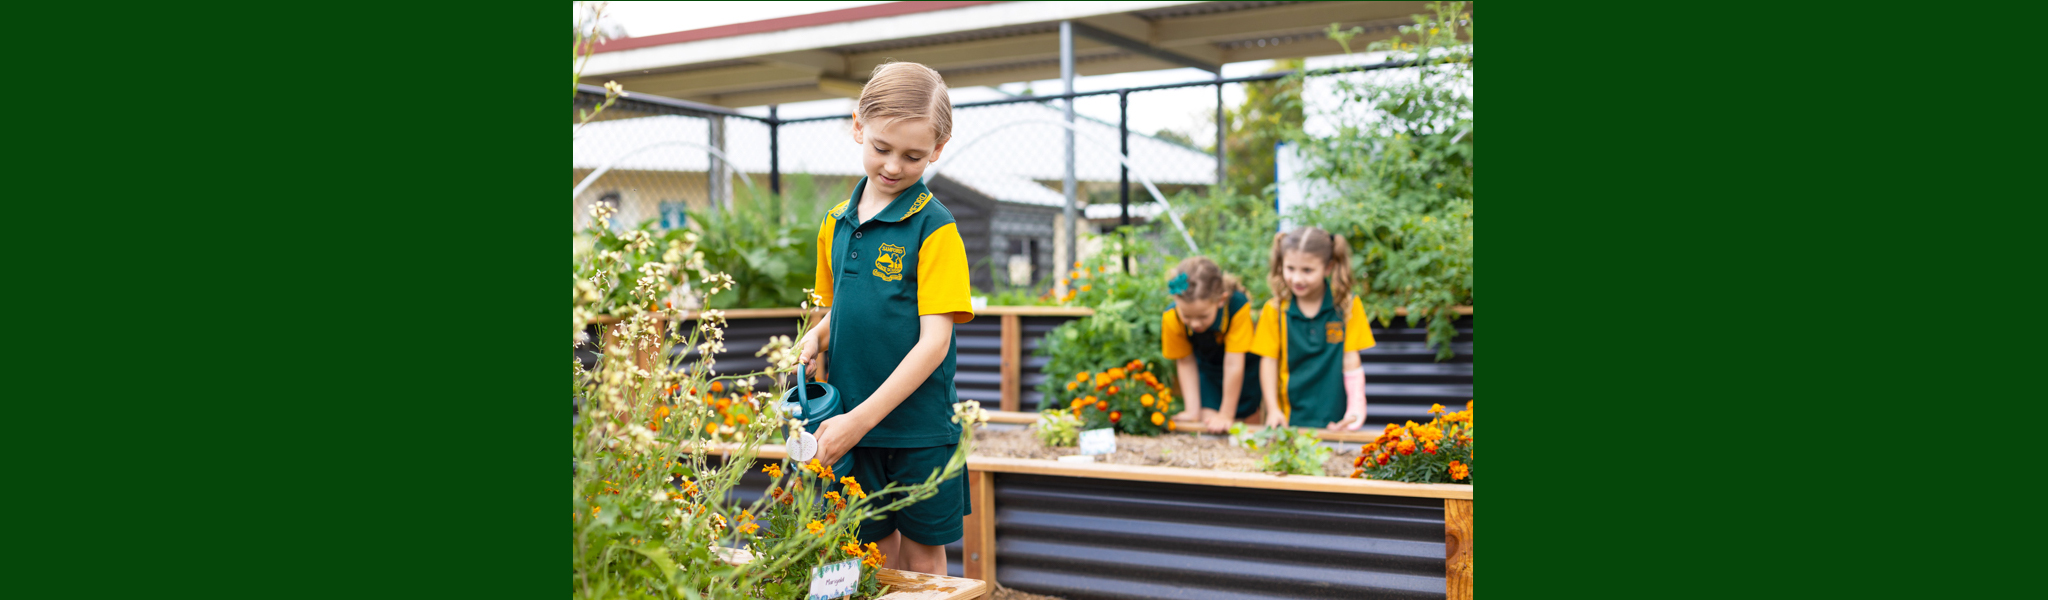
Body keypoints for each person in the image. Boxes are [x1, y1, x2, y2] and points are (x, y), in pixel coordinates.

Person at [796, 62, 974, 577]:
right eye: (882, 148)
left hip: (919, 430)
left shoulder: (935, 228)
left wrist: (859, 421)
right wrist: (816, 338)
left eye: (913, 156)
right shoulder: (835, 222)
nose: (894, 166)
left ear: (937, 149)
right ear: (858, 127)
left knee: (921, 561)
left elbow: (934, 343)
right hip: (849, 417)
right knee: (869, 555)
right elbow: (841, 308)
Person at [1249, 227, 1375, 431]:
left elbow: (1351, 360)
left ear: (1328, 267)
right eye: (1290, 268)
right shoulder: (1274, 311)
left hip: (1336, 422)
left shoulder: (1348, 307)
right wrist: (1272, 409)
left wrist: (1355, 410)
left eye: (1307, 270)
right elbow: (1268, 363)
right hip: (1289, 422)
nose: (1297, 279)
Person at [1161, 257, 1264, 433]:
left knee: (1245, 422)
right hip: (1208, 370)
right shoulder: (1171, 317)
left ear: (1221, 300)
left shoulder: (1237, 306)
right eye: (1187, 316)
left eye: (1203, 316)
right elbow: (1185, 362)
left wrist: (1226, 414)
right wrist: (1192, 411)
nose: (1195, 324)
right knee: (1210, 423)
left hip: (1242, 368)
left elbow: (1234, 363)